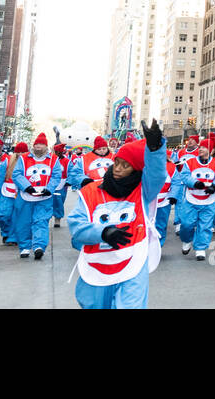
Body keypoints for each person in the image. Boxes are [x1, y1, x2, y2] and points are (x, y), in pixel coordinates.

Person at [67, 120, 168, 309]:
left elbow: (157, 174)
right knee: (93, 304)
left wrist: (155, 150)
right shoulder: (91, 191)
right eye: (117, 163)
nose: (118, 169)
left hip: (133, 260)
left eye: (126, 165)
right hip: (97, 261)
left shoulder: (143, 191)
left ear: (136, 170)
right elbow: (76, 225)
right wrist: (102, 232)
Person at [174, 134, 215, 259]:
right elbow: (184, 176)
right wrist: (194, 182)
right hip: (191, 199)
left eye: (203, 147)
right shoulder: (190, 162)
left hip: (209, 200)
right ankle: (187, 240)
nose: (200, 149)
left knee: (205, 225)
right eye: (200, 147)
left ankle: (200, 248)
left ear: (210, 150)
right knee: (186, 224)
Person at [12, 133, 60, 260]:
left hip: (44, 197)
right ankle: (25, 247)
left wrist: (49, 189)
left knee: (41, 221)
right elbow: (16, 174)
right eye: (36, 144)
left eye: (41, 144)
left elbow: (56, 176)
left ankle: (39, 246)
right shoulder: (23, 158)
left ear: (46, 145)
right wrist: (27, 187)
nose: (38, 146)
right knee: (23, 222)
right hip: (26, 196)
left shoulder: (54, 160)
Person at [50, 141, 71, 228]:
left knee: (59, 201)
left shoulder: (66, 161)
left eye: (56, 151)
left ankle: (57, 219)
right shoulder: (50, 160)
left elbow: (70, 171)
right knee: (49, 201)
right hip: (51, 184)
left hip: (62, 184)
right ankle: (46, 217)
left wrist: (69, 181)